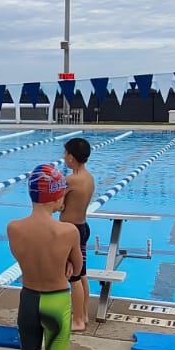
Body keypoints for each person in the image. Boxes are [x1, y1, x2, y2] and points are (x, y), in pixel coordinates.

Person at [6, 163, 84, 350]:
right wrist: (64, 267)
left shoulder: (14, 228)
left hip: (28, 302)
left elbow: (23, 258)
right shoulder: (68, 231)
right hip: (55, 306)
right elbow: (76, 269)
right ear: (57, 196)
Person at [59, 138, 96, 331]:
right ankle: (84, 314)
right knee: (81, 275)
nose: (63, 157)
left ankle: (78, 321)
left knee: (73, 277)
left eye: (65, 154)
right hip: (82, 227)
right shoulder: (89, 177)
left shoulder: (71, 180)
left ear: (72, 158)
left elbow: (58, 205)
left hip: (70, 230)